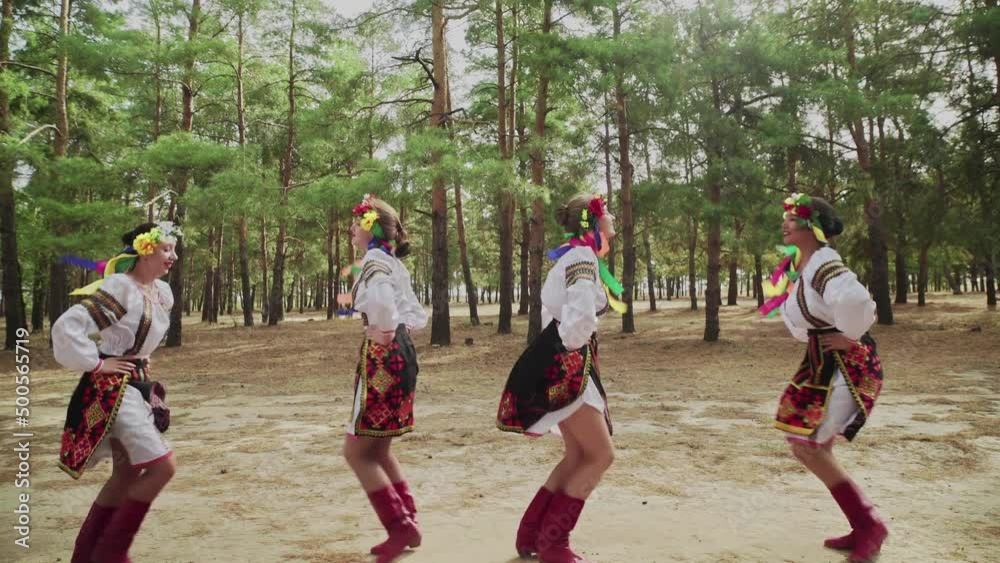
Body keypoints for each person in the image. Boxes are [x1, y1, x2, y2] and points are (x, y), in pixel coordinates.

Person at [497, 193, 624, 563]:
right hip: (570, 363)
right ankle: (554, 542)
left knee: (579, 453)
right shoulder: (582, 258)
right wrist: (573, 348)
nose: (614, 222)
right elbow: (579, 319)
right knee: (600, 454)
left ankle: (533, 533)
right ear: (595, 223)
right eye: (608, 215)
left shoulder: (574, 257)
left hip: (563, 357)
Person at [761, 193, 888, 562]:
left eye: (794, 219)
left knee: (809, 445)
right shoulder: (807, 266)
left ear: (813, 227)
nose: (785, 224)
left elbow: (858, 303)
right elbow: (802, 320)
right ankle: (862, 522)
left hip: (845, 366)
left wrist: (850, 335)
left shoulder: (826, 263)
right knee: (811, 445)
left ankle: (871, 524)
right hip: (820, 363)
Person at [53, 222, 180, 563]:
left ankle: (86, 557)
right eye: (166, 248)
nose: (174, 255)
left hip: (135, 385)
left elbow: (137, 334)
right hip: (112, 389)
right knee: (163, 467)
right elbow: (68, 326)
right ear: (145, 249)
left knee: (125, 472)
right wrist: (97, 363)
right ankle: (111, 554)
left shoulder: (160, 292)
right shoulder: (121, 287)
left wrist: (140, 354)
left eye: (173, 248)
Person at [342, 194, 427, 563]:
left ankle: (399, 525)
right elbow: (416, 313)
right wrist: (398, 332)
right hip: (401, 357)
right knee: (379, 446)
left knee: (357, 450)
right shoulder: (391, 263)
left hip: (383, 359)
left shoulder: (375, 261)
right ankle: (407, 518)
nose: (350, 228)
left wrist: (385, 332)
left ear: (369, 227)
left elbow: (384, 307)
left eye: (356, 221)